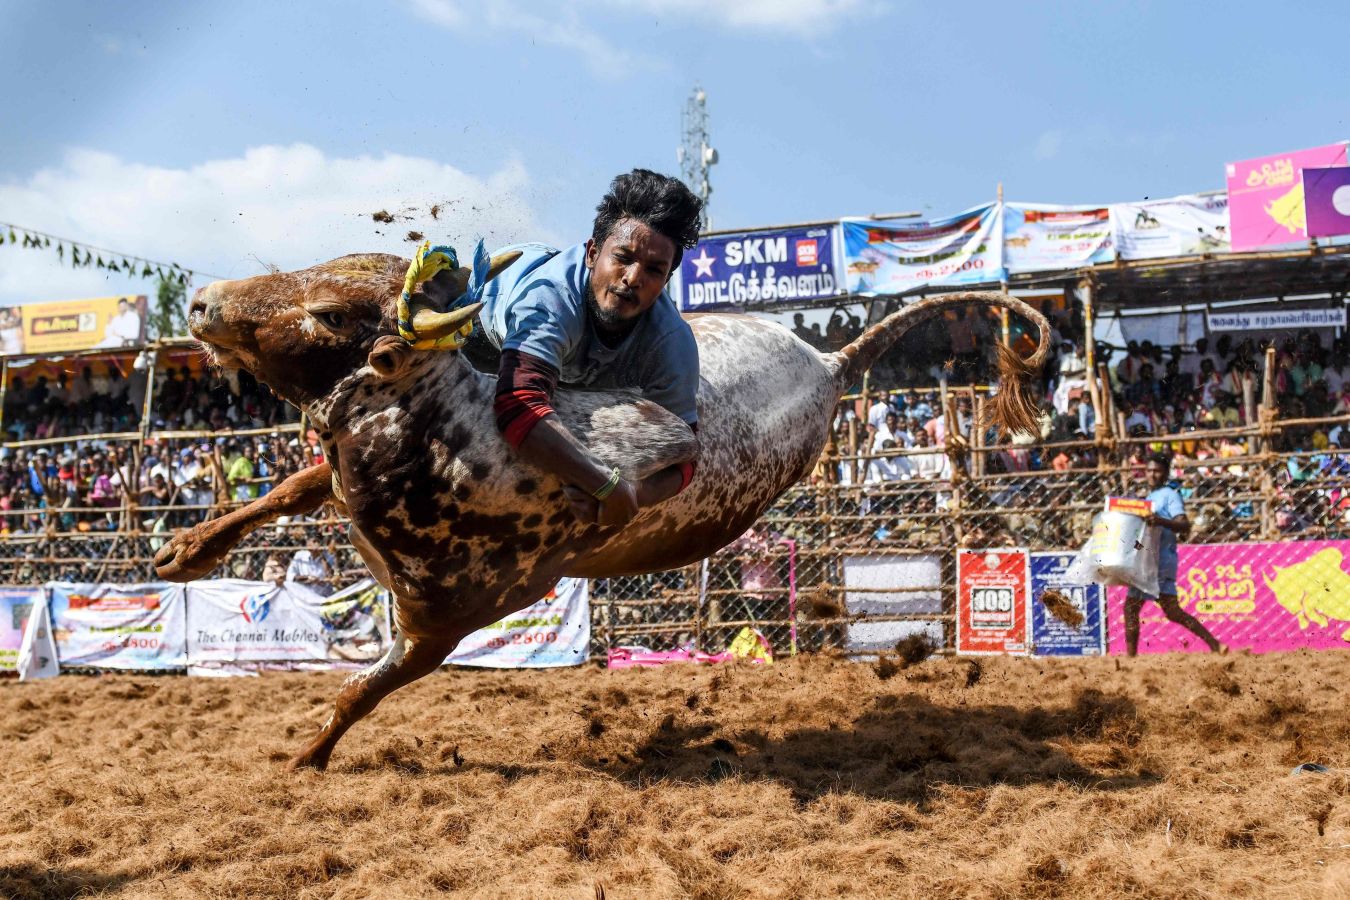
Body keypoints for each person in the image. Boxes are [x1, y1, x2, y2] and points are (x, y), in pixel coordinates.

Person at [428, 169, 703, 529]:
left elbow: (685, 456)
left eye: (654, 270)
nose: (633, 278)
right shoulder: (549, 298)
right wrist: (603, 484)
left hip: (571, 357)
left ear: (666, 280)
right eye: (622, 257)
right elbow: (517, 405)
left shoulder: (672, 342)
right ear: (592, 253)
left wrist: (635, 494)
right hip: (484, 328)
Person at [1123, 453, 1223, 656]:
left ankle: (1130, 659)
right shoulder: (1149, 498)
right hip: (1149, 560)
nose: (1152, 475)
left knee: (1133, 608)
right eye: (1149, 470)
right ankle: (1215, 645)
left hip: (1160, 562)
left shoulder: (1170, 495)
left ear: (1166, 473)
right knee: (1169, 611)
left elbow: (1184, 525)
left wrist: (1160, 521)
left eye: (1157, 471)